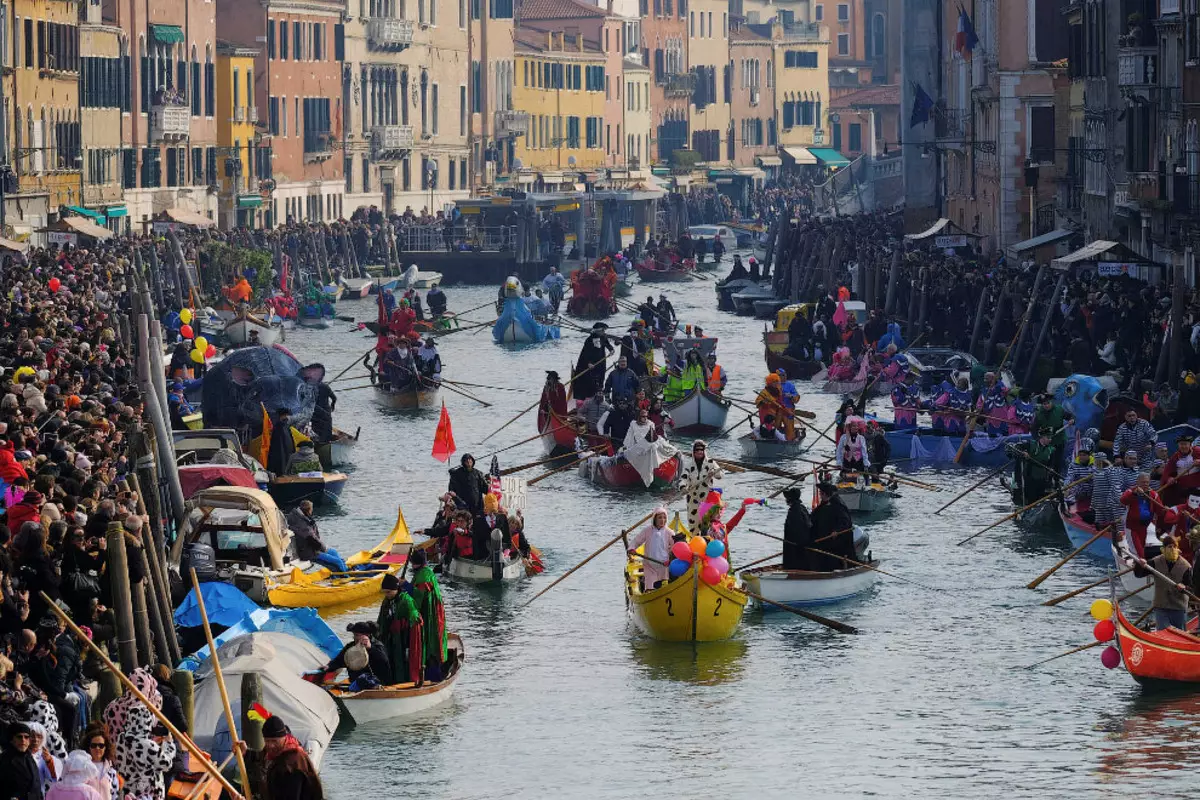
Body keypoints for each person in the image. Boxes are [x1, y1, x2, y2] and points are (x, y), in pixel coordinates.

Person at [1132, 533, 1192, 631]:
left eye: (1174, 547)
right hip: (1161, 606)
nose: (1172, 549)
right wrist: (1139, 565)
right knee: (1163, 631)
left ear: (1178, 548)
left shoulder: (1186, 567)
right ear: (1163, 549)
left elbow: (1191, 586)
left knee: (1179, 634)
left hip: (1178, 607)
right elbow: (1138, 574)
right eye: (1169, 547)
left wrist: (1184, 587)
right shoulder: (1155, 562)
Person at [375, 573, 424, 686]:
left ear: (396, 589)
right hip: (389, 637)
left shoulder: (406, 601)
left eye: (388, 592)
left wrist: (401, 623)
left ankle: (404, 683)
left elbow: (415, 618)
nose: (386, 595)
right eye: (385, 592)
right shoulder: (386, 601)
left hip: (403, 639)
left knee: (402, 661)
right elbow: (381, 618)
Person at [262, 714, 324, 800]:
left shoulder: (292, 763)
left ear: (284, 737)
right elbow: (263, 756)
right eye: (267, 741)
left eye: (274, 741)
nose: (270, 745)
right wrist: (247, 753)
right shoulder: (277, 751)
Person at [409, 550, 447, 682]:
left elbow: (418, 595)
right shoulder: (426, 572)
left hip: (431, 615)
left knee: (432, 643)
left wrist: (406, 587)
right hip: (432, 611)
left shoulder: (424, 575)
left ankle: (433, 676)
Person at [322, 621, 390, 686]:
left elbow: (384, 661)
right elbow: (339, 660)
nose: (354, 637)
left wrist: (370, 648)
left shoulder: (378, 646)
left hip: (376, 682)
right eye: (354, 635)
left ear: (367, 635)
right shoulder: (350, 646)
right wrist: (329, 666)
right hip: (355, 682)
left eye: (357, 635)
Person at [810, 482, 855, 571]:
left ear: (825, 494)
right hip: (824, 538)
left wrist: (837, 531)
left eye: (820, 493)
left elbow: (844, 521)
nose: (819, 495)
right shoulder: (825, 503)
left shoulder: (837, 504)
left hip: (836, 540)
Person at [681, 440, 723, 532]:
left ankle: (707, 541)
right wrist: (683, 487)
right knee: (694, 525)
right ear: (693, 452)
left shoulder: (711, 463)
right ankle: (695, 542)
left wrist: (714, 472)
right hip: (693, 499)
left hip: (707, 498)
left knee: (706, 524)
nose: (700, 452)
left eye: (701, 450)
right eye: (697, 450)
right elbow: (683, 478)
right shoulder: (689, 465)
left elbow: (720, 475)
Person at [627, 507, 672, 590]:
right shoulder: (647, 530)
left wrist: (670, 560)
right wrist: (632, 548)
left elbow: (674, 548)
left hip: (664, 565)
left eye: (664, 517)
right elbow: (637, 540)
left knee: (664, 585)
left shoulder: (669, 532)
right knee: (650, 588)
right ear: (654, 519)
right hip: (649, 564)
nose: (662, 520)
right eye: (660, 518)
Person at [1120, 472, 1162, 559]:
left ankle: (1139, 566)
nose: (1145, 484)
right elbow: (1123, 501)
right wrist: (1134, 494)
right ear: (1137, 482)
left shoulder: (1153, 494)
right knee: (1139, 553)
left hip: (1144, 527)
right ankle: (1139, 568)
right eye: (1143, 482)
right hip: (1132, 527)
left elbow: (1160, 510)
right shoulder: (1130, 491)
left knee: (1141, 548)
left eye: (1147, 482)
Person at [0, 721, 41, 800]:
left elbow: (36, 787)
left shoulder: (30, 758)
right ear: (12, 739)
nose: (23, 740)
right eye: (19, 737)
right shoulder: (4, 760)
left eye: (26, 737)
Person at [572, 323, 614, 400]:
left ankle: (599, 393)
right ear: (598, 331)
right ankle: (589, 396)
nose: (604, 332)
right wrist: (589, 363)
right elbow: (585, 353)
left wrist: (611, 349)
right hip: (591, 364)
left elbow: (607, 344)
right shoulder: (589, 340)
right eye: (603, 330)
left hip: (601, 362)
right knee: (591, 379)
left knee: (601, 377)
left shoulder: (603, 337)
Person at [781, 487, 816, 571]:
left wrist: (796, 544)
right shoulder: (801, 507)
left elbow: (798, 531)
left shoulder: (795, 511)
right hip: (800, 543)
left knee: (797, 563)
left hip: (796, 545)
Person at [80, 725, 118, 800]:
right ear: (88, 747)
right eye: (93, 745)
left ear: (105, 748)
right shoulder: (82, 768)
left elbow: (114, 795)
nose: (97, 748)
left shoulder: (111, 772)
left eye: (101, 745)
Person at [470, 494, 514, 558]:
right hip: (482, 555)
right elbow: (475, 539)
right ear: (485, 505)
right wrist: (476, 557)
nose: (492, 505)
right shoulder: (478, 518)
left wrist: (506, 552)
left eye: (494, 503)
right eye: (490, 503)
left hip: (500, 553)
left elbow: (507, 538)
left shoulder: (502, 517)